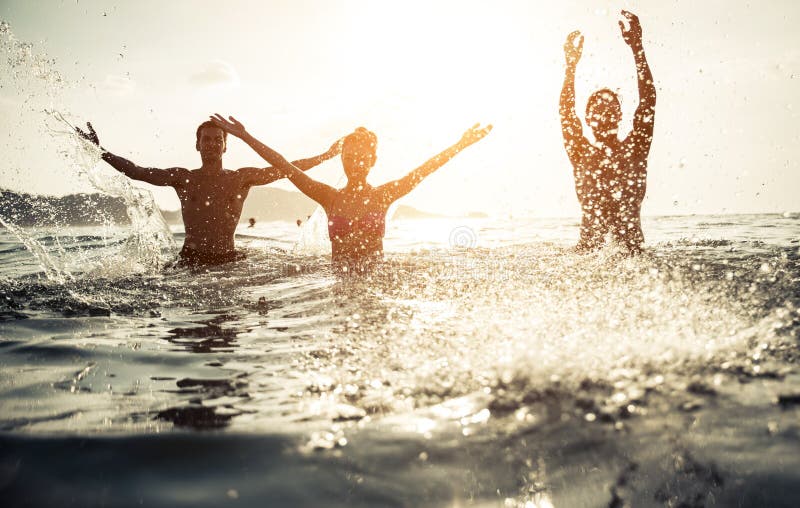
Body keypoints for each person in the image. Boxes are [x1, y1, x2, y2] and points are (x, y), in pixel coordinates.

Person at [208, 114, 491, 272]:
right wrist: (245, 136)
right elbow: (283, 165)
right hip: (338, 283)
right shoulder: (329, 197)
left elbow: (425, 169)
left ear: (372, 161)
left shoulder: (383, 195)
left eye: (360, 158)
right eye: (349, 157)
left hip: (377, 280)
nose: (354, 163)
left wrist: (460, 145)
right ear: (342, 159)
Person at [75, 120, 342, 264]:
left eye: (218, 140)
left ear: (225, 146)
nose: (212, 144)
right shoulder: (184, 178)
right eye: (207, 139)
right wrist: (100, 151)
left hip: (228, 260)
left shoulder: (241, 178)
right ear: (198, 145)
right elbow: (138, 172)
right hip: (189, 261)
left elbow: (287, 169)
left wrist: (326, 155)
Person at [560, 10, 656, 254]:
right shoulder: (581, 153)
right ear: (588, 120)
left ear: (620, 116)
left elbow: (648, 102)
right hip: (587, 254)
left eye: (610, 109)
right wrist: (570, 68)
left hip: (632, 253)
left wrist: (638, 49)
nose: (604, 113)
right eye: (598, 110)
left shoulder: (636, 149)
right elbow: (566, 112)